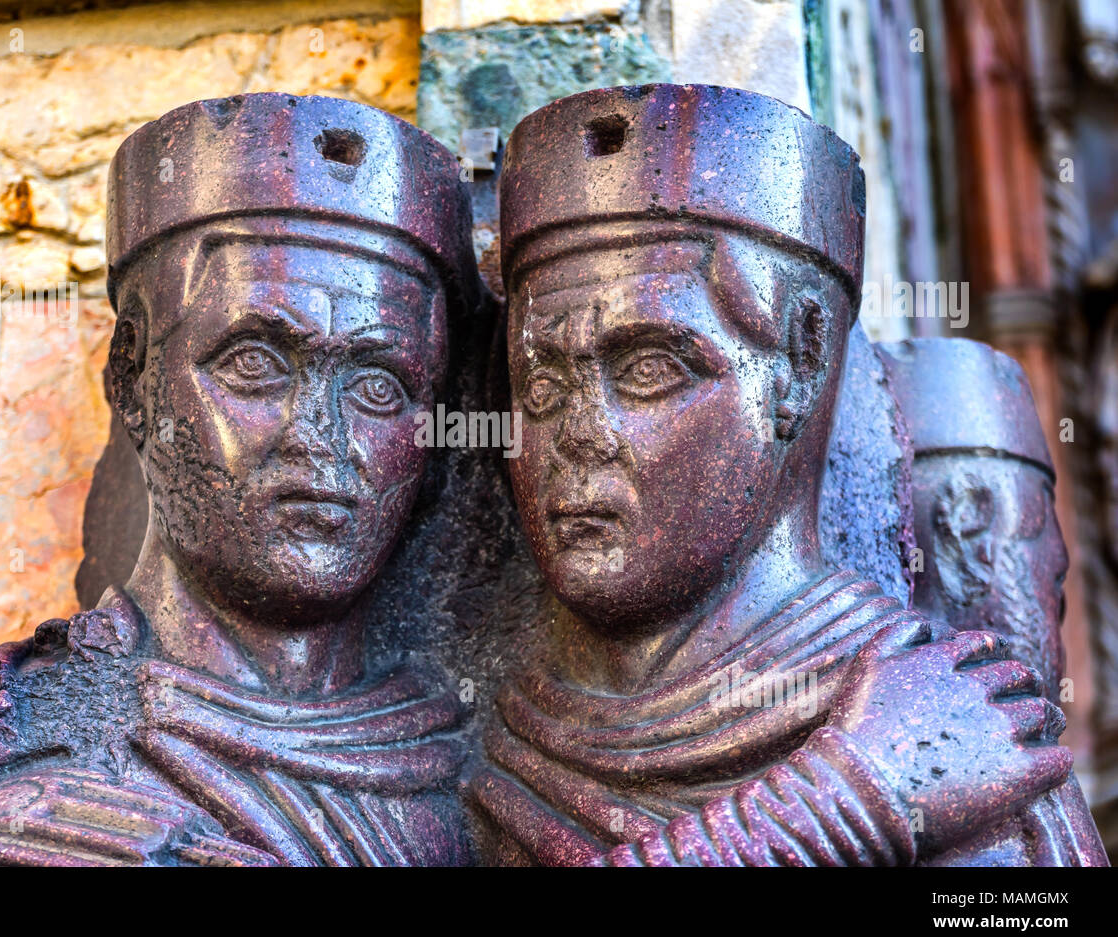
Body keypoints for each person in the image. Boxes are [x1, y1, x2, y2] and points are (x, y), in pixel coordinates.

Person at [470, 83, 1108, 866]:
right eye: (541, 387)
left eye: (647, 369)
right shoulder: (489, 747)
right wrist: (843, 800)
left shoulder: (961, 732)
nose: (581, 435)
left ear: (802, 360)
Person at [0, 93, 484, 867]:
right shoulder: (41, 796)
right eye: (256, 364)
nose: (321, 440)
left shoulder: (460, 757)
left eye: (378, 386)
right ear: (132, 377)